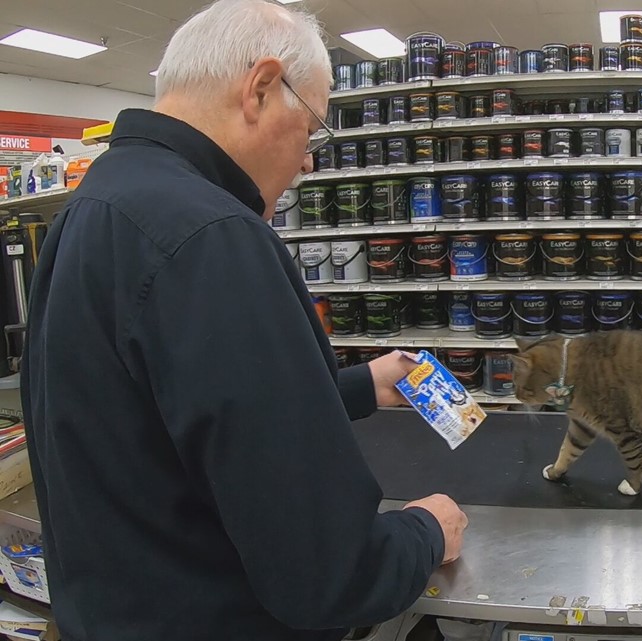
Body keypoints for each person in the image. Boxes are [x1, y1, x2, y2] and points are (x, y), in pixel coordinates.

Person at [20, 1, 468, 639]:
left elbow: (164, 413)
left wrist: (357, 386)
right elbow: (328, 575)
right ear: (262, 88)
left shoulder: (91, 209)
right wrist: (426, 529)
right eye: (312, 128)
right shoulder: (213, 235)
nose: (309, 161)